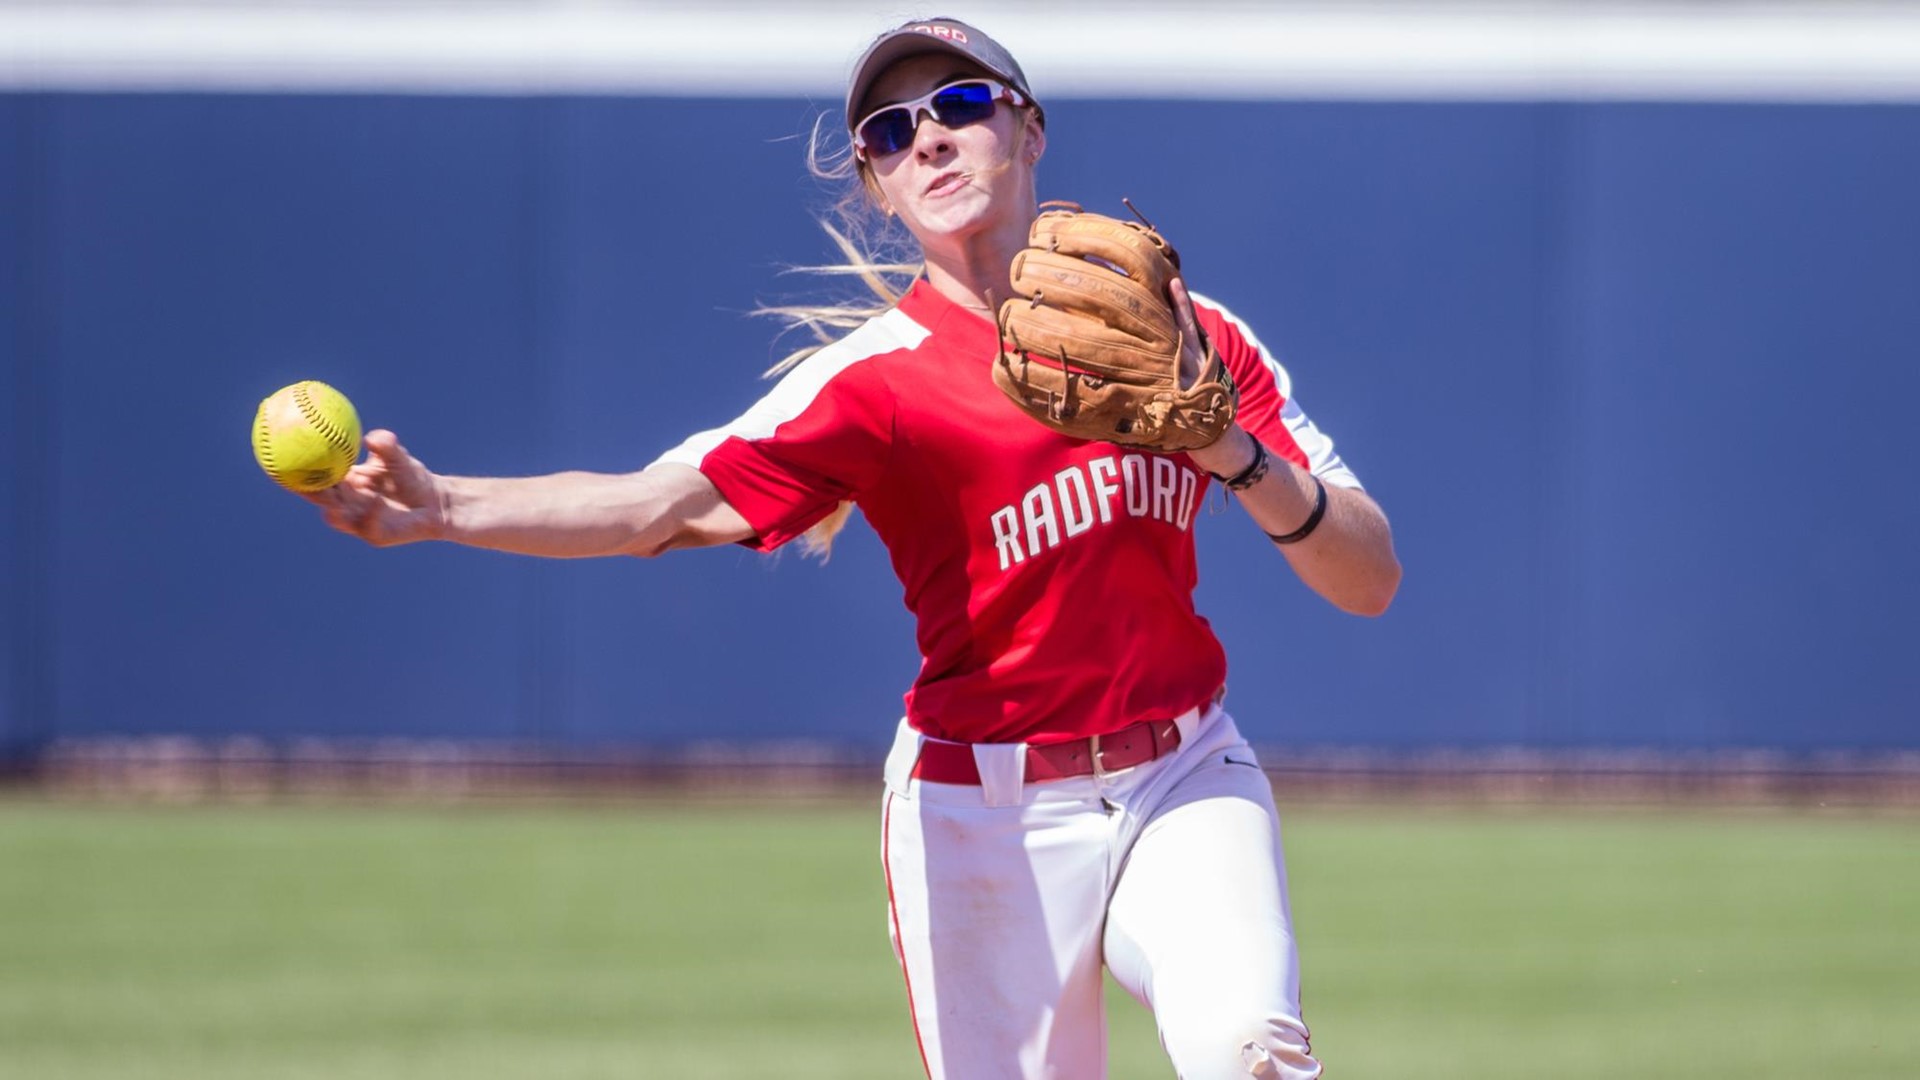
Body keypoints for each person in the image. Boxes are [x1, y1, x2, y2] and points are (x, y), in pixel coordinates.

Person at [309, 17, 1400, 1080]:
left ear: (1030, 131)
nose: (926, 137)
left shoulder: (1185, 333)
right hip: (980, 816)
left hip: (1182, 775)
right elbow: (658, 504)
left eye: (960, 105)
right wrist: (445, 503)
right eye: (889, 131)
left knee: (1249, 1051)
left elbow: (1369, 580)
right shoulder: (874, 384)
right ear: (878, 186)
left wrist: (1229, 447)